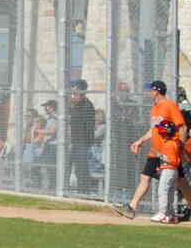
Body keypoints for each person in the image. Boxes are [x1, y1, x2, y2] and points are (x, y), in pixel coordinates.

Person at [114, 80, 191, 219]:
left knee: (181, 181)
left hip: (168, 151)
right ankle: (132, 207)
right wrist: (141, 141)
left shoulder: (169, 106)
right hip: (155, 151)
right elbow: (154, 129)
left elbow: (183, 127)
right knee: (145, 177)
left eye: (150, 90)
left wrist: (180, 146)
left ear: (157, 91)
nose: (148, 92)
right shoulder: (155, 107)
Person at [63, 80, 96, 195]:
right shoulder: (73, 105)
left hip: (82, 141)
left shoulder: (87, 105)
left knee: (81, 168)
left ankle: (84, 192)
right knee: (65, 165)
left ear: (82, 91)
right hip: (72, 141)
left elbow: (87, 127)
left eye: (76, 90)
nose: (73, 93)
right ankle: (63, 190)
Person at [149, 121, 184, 223]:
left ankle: (162, 213)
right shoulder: (173, 143)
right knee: (171, 193)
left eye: (161, 130)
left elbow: (172, 160)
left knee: (163, 191)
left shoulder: (169, 144)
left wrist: (160, 156)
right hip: (172, 170)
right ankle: (171, 215)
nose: (160, 132)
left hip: (169, 169)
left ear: (165, 131)